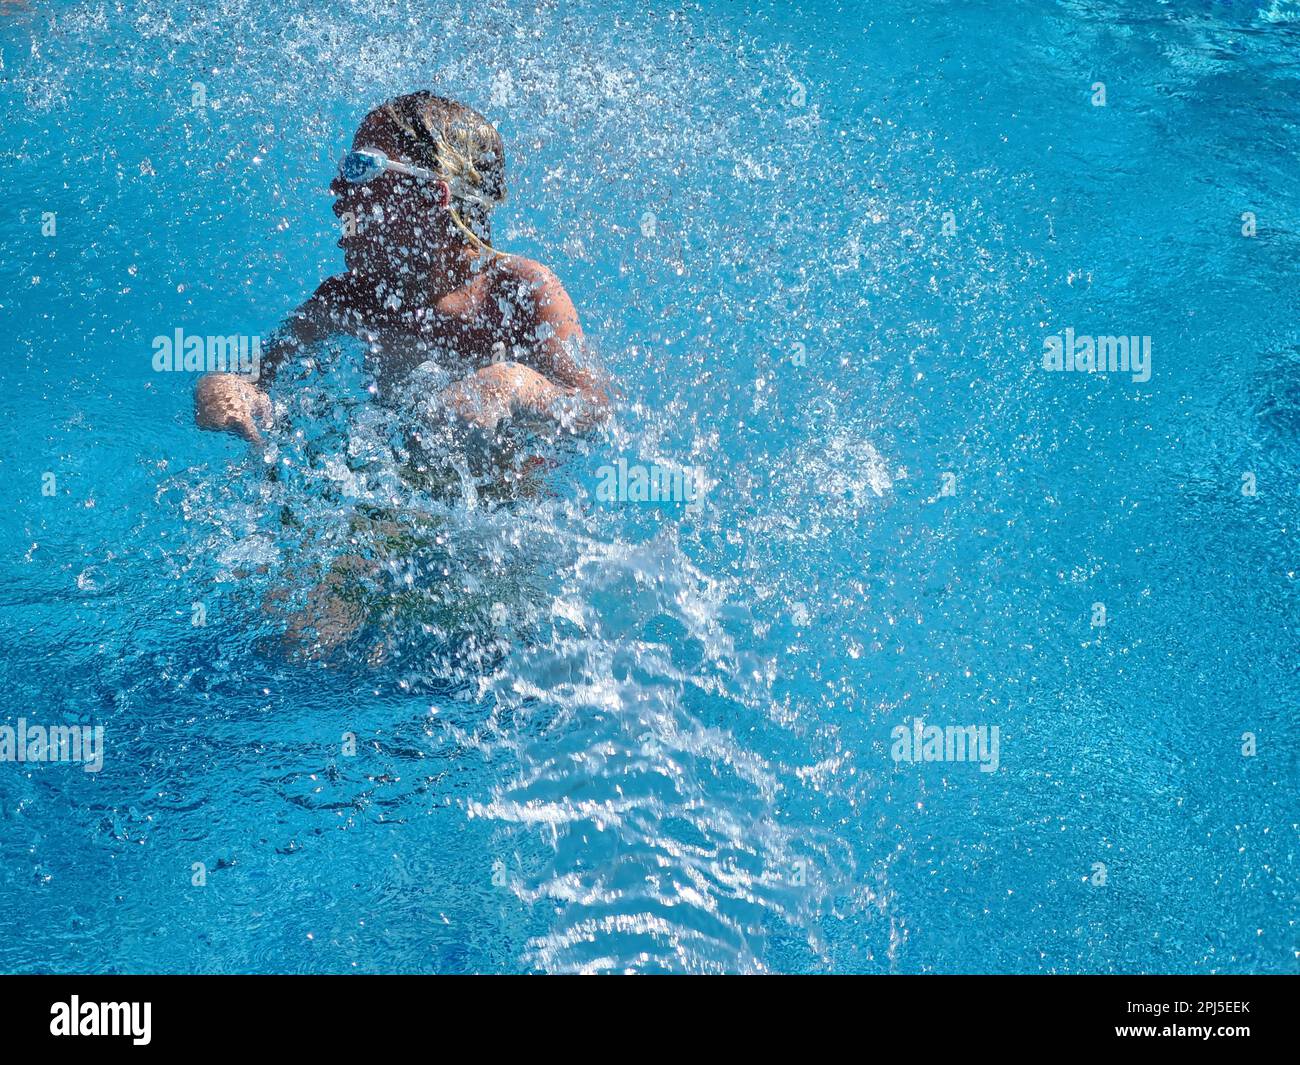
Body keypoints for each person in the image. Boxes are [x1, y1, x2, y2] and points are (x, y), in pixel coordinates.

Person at [194, 91, 608, 448]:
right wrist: (226, 391)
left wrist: (513, 385)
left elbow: (596, 408)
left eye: (361, 168)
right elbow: (247, 372)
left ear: (431, 195)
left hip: (506, 514)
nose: (337, 189)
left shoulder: (520, 290)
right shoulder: (350, 299)